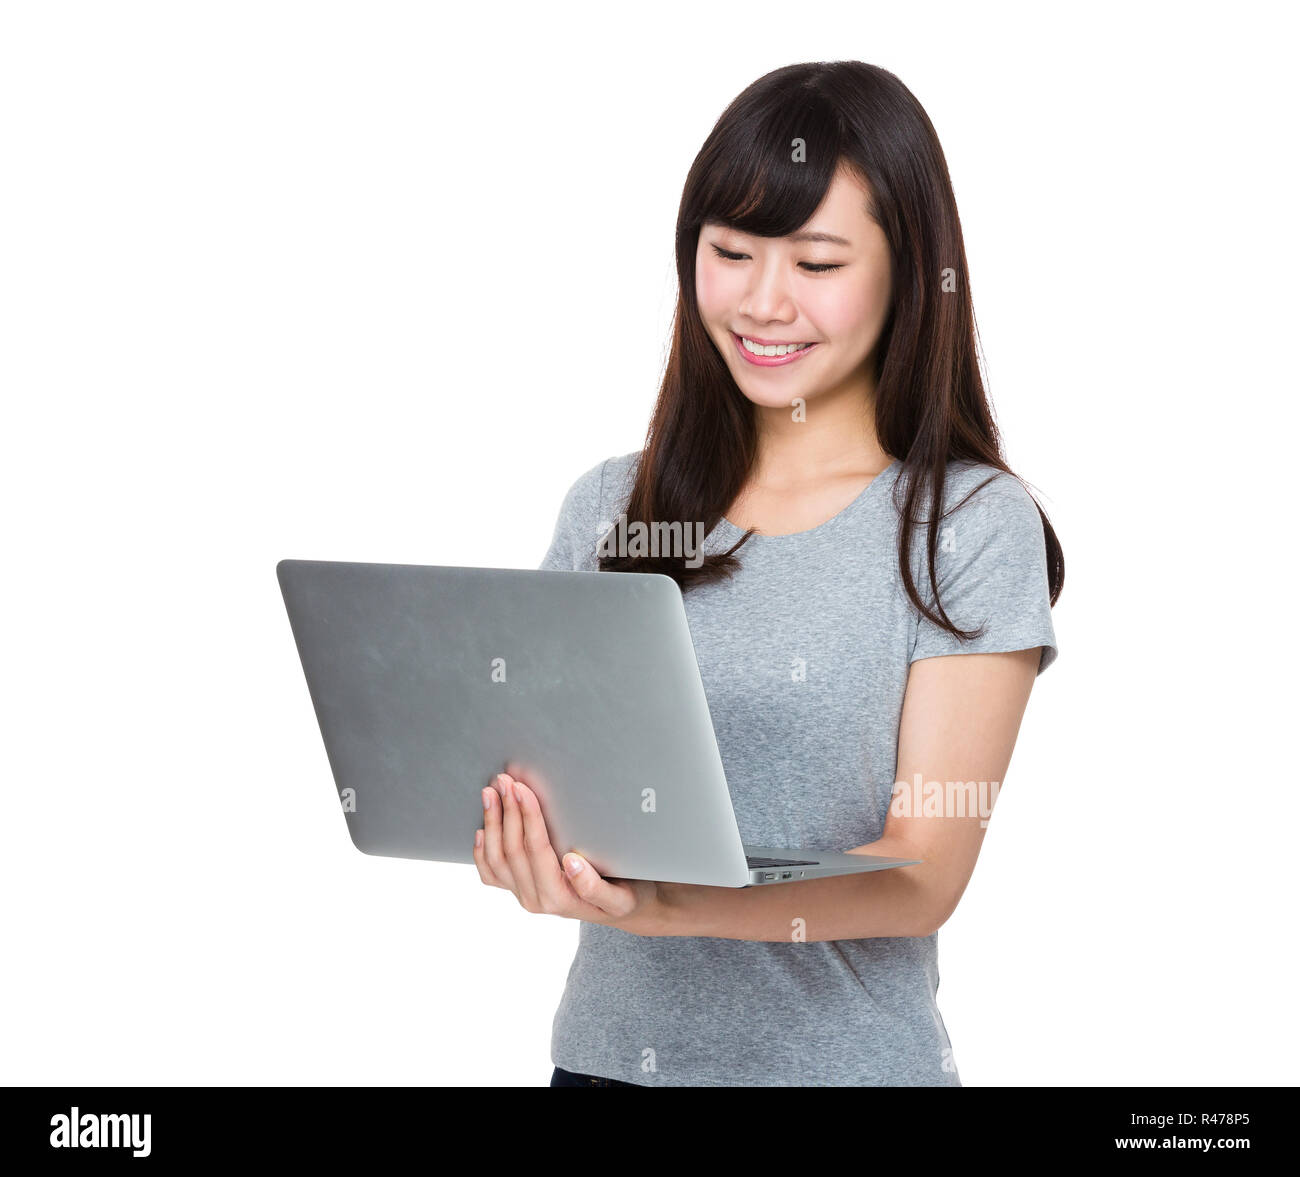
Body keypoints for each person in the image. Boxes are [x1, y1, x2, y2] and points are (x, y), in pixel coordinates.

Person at [472, 60, 1063, 1087]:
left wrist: (663, 905)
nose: (762, 301)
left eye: (817, 264)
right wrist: (519, 836)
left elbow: (919, 874)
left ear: (908, 272)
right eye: (731, 253)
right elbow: (540, 773)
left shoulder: (964, 527)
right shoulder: (613, 508)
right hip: (605, 1068)